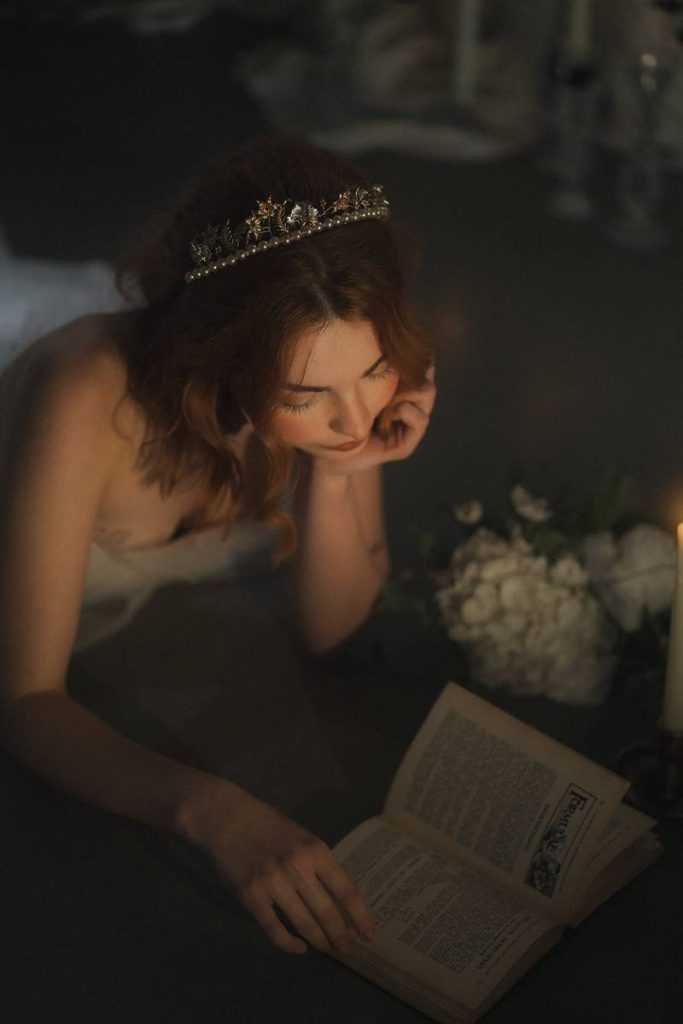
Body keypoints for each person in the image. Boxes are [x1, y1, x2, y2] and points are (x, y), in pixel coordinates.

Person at [0, 136, 435, 959]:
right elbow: (24, 703)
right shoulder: (83, 394)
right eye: (309, 396)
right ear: (222, 357)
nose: (352, 419)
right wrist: (216, 812)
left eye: (373, 371)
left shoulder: (343, 392)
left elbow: (330, 628)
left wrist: (346, 474)